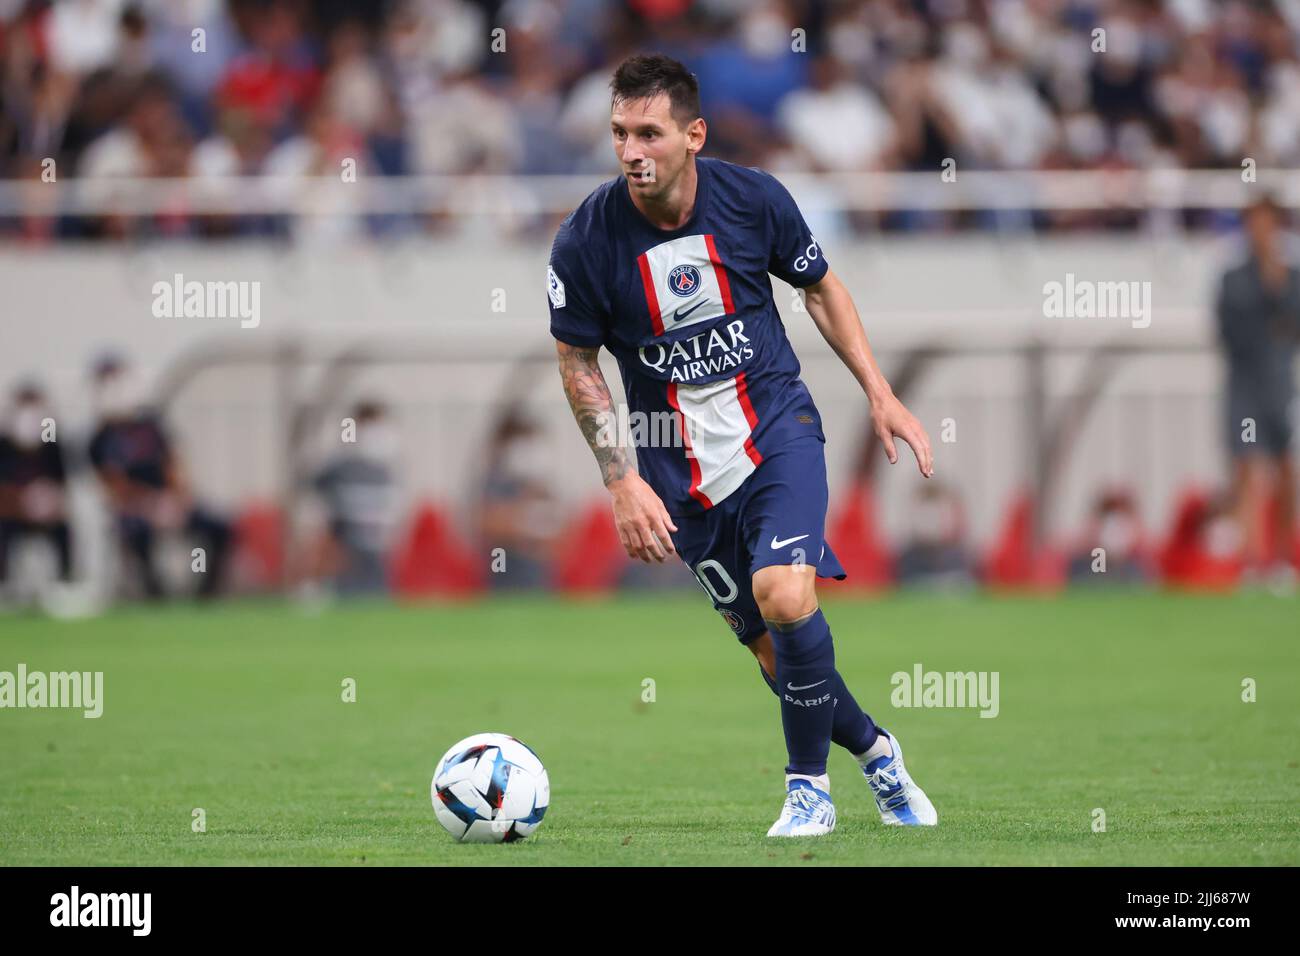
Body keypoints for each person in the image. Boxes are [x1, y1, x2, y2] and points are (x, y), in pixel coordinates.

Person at [548, 54, 937, 837]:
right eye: (620, 133)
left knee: (785, 595)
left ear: (694, 135)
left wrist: (880, 391)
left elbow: (819, 287)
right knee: (774, 656)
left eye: (649, 134)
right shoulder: (585, 240)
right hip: (680, 474)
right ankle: (877, 752)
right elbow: (578, 363)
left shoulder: (754, 200)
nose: (631, 151)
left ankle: (807, 791)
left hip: (776, 431)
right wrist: (621, 480)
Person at [86, 356, 231, 599]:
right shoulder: (99, 439)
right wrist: (148, 505)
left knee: (217, 526)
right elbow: (112, 487)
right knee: (136, 533)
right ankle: (155, 593)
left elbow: (174, 465)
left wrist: (178, 500)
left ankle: (204, 591)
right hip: (135, 509)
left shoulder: (151, 425)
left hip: (169, 501)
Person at [1216, 195, 1300, 585]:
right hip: (1245, 387)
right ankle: (1251, 561)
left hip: (1280, 387)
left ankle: (1282, 559)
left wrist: (1276, 282)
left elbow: (1292, 327)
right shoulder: (1232, 278)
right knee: (1248, 468)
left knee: (1286, 469)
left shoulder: (1290, 275)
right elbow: (1231, 331)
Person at [0, 382, 73, 589]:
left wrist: (47, 504)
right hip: (12, 513)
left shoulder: (51, 445)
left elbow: (60, 485)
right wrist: (21, 504)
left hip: (46, 514)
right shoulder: (4, 445)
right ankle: (4, 582)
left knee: (63, 530)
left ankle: (64, 580)